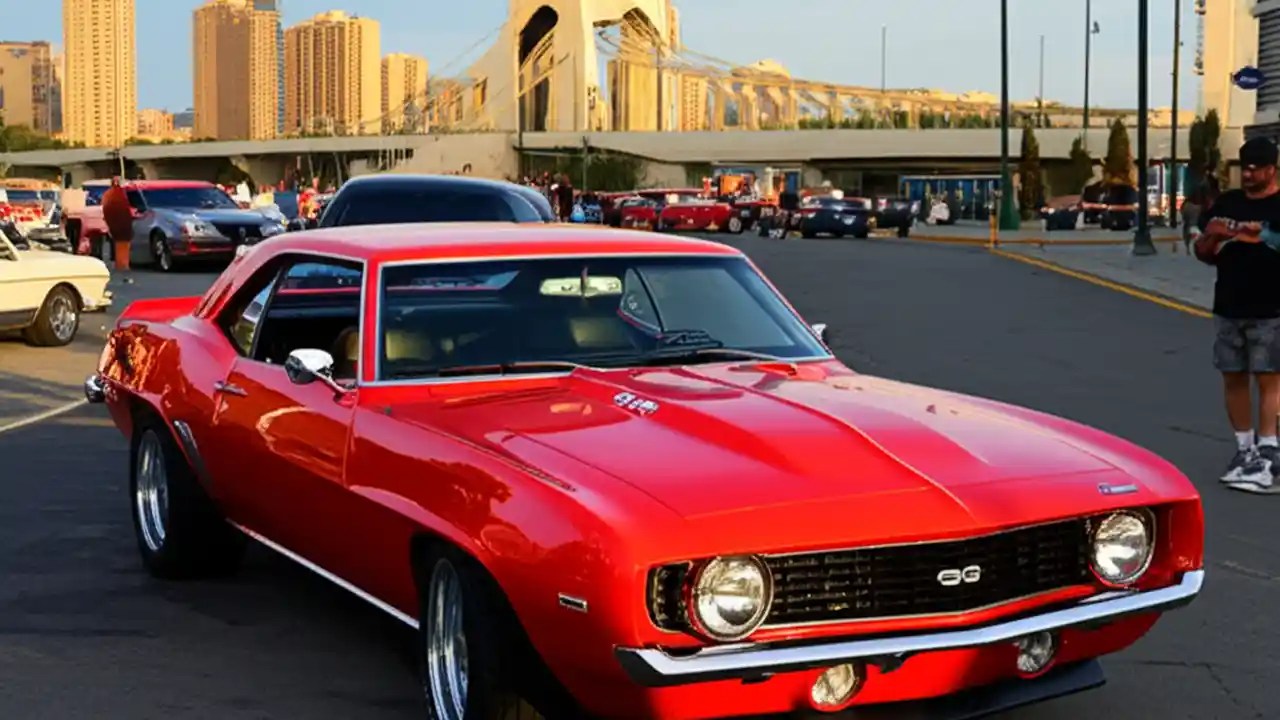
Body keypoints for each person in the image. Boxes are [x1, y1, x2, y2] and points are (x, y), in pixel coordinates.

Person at [1193, 137, 1280, 492]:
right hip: (1228, 307)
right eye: (1244, 167)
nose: (1248, 174)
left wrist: (1255, 234)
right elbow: (1204, 253)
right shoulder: (1226, 203)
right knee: (1233, 376)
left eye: (1256, 168)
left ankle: (1269, 451)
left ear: (1273, 168)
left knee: (1269, 379)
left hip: (1271, 308)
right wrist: (1211, 238)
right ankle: (1245, 450)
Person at [100, 176, 134, 273]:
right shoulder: (123, 194)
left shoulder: (109, 194)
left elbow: (104, 207)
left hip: (116, 223)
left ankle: (121, 263)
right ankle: (123, 264)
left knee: (119, 244)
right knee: (123, 244)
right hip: (123, 223)